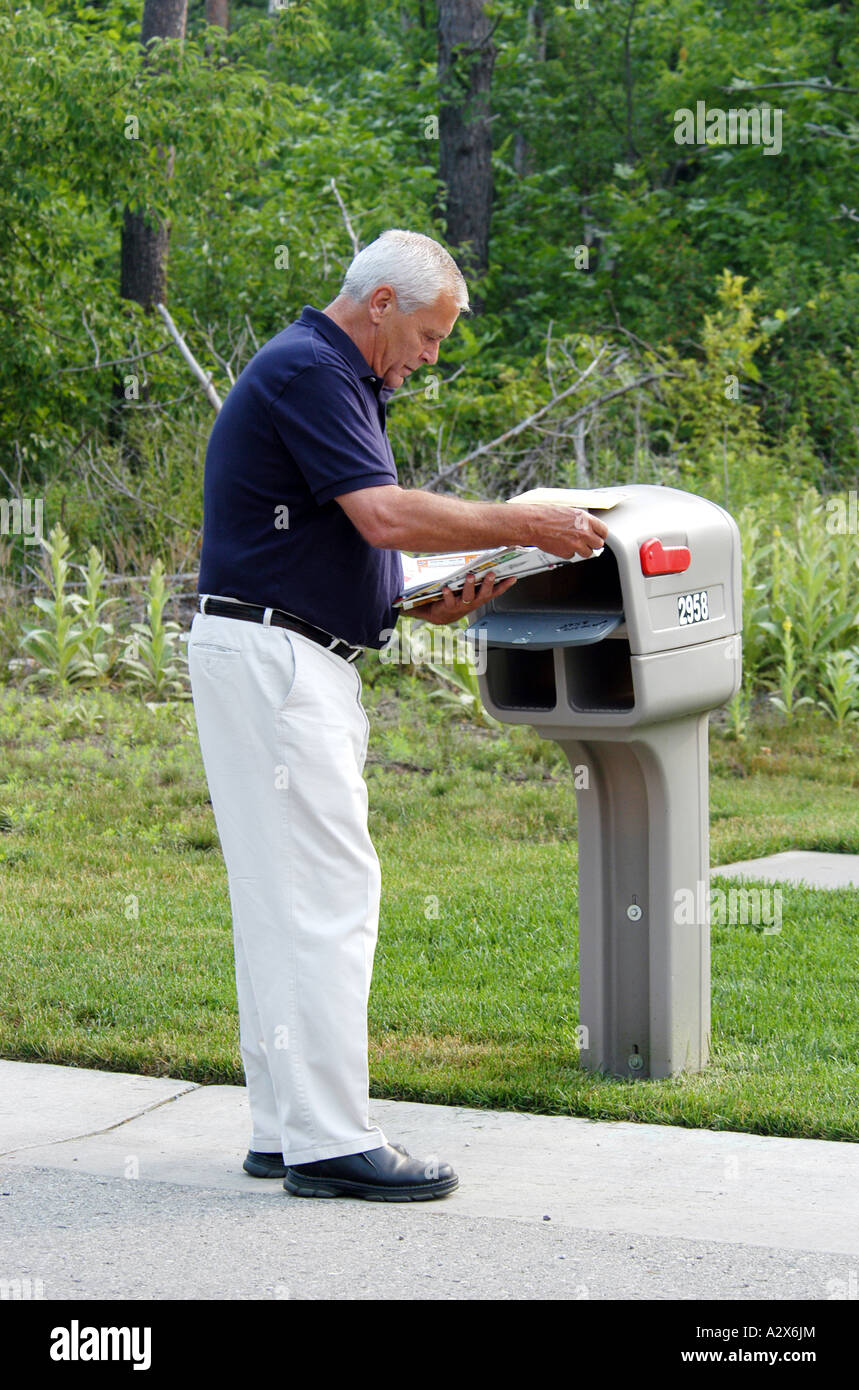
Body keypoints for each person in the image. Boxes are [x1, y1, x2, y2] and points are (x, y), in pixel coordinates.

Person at [187, 228, 608, 1202]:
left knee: (276, 901)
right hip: (280, 662)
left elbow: (352, 538)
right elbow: (381, 514)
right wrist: (519, 522)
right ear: (379, 301)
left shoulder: (323, 373)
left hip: (262, 646)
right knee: (330, 898)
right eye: (426, 334)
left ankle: (281, 1127)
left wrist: (427, 594)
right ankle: (332, 1141)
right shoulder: (312, 369)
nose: (429, 356)